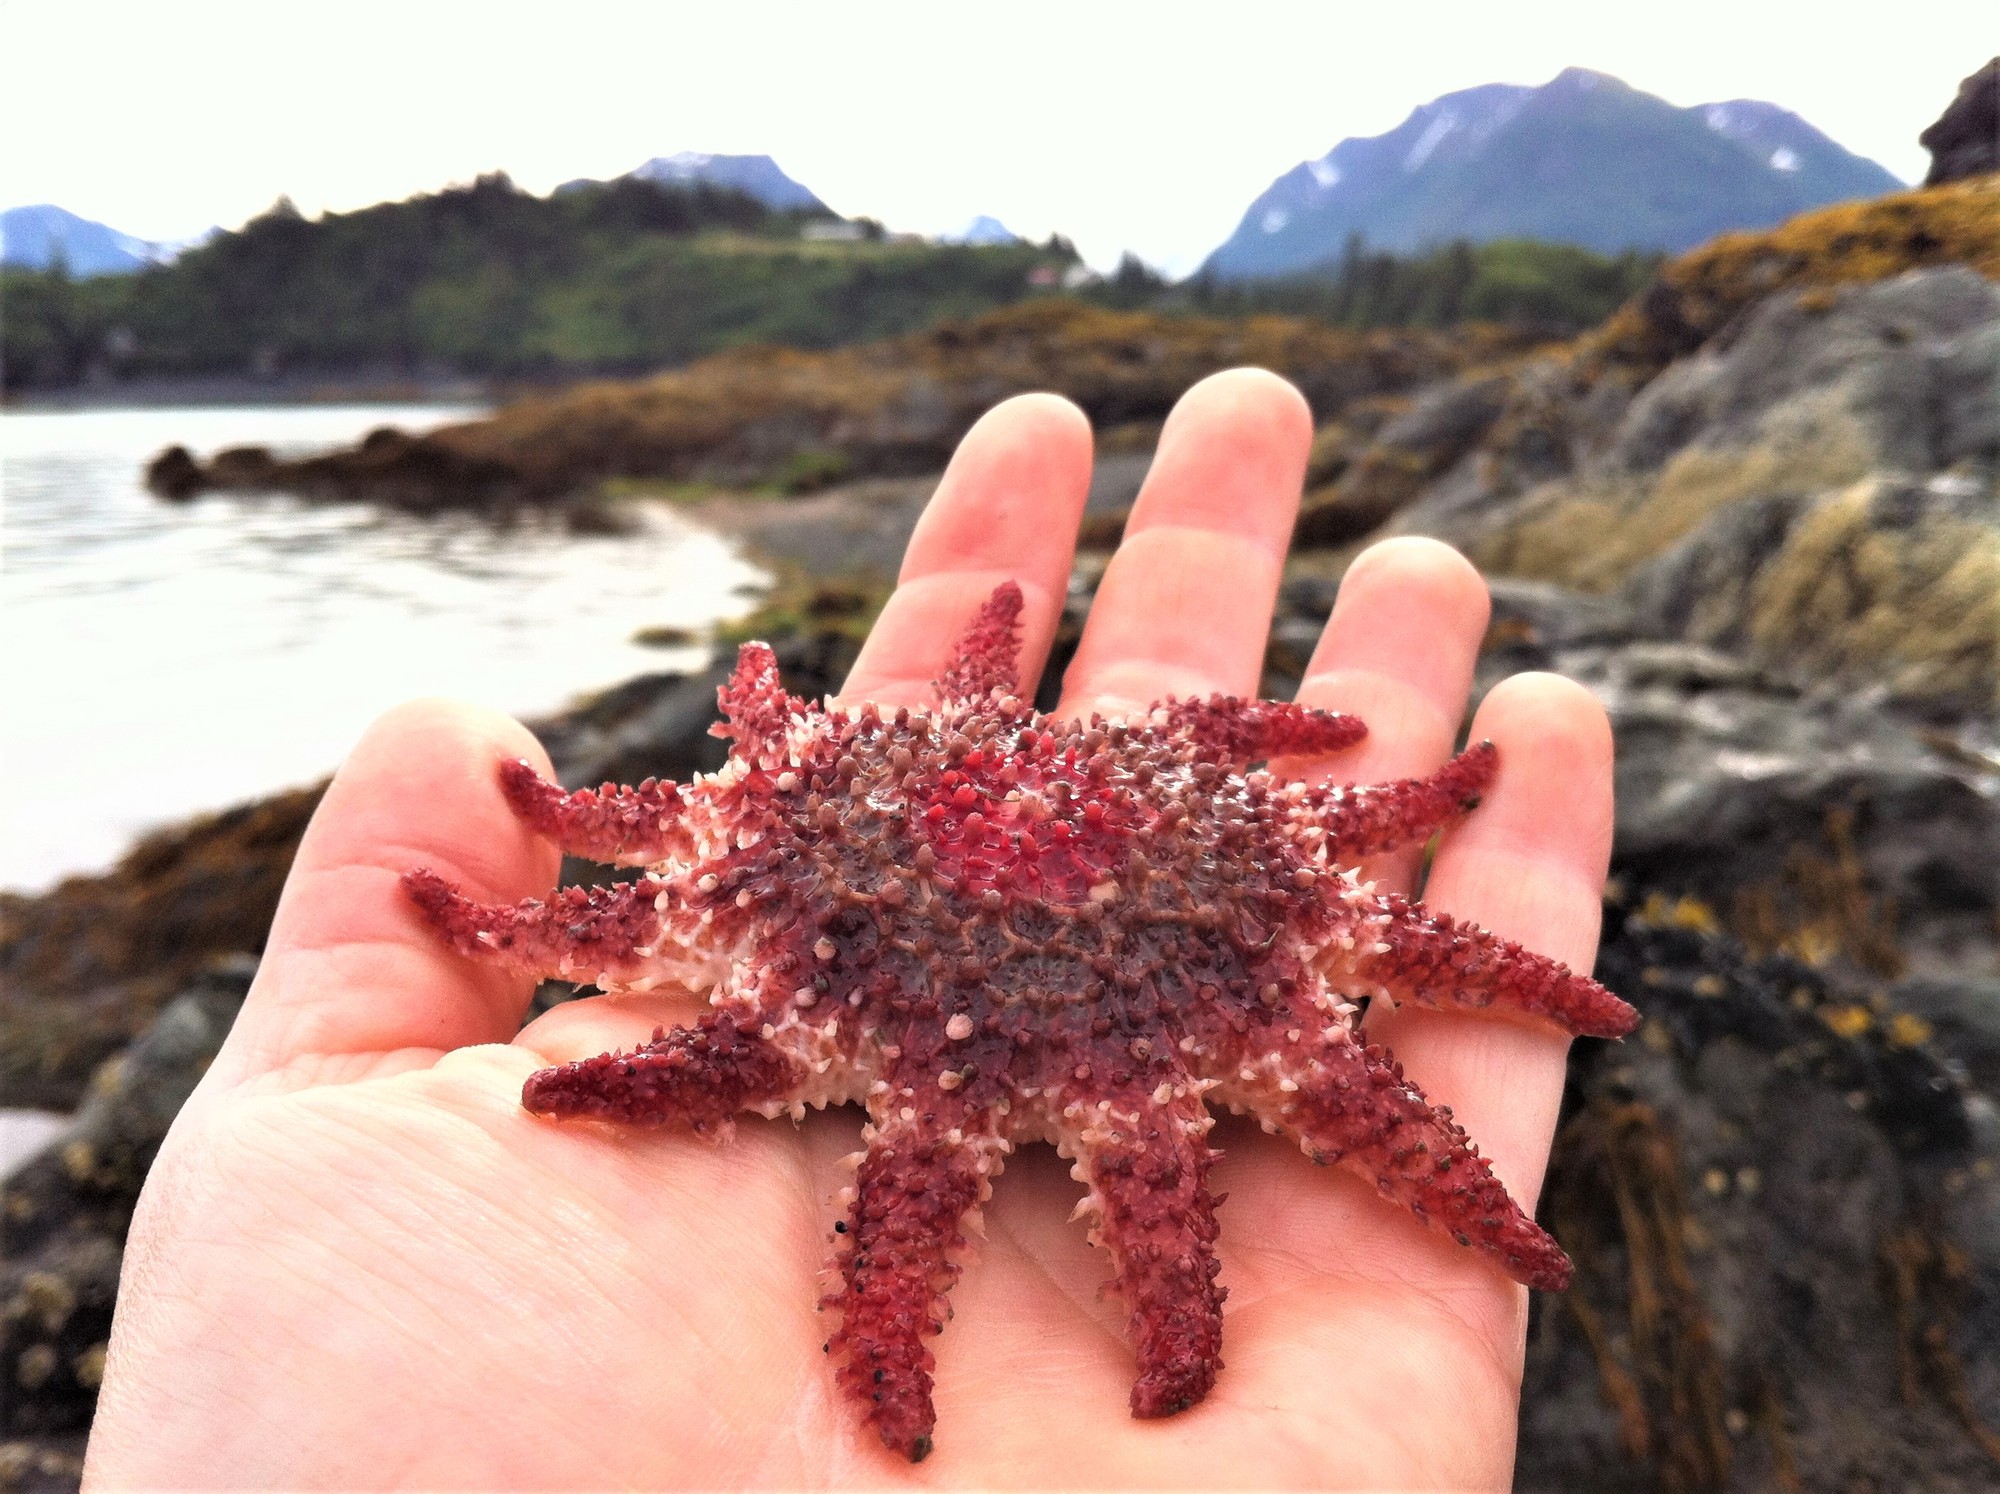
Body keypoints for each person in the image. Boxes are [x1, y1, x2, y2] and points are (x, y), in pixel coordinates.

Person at [84, 370, 1613, 1489]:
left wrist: (1375, 771)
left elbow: (1294, 817)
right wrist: (515, 916)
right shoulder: (799, 815)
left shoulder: (1183, 817)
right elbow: (606, 904)